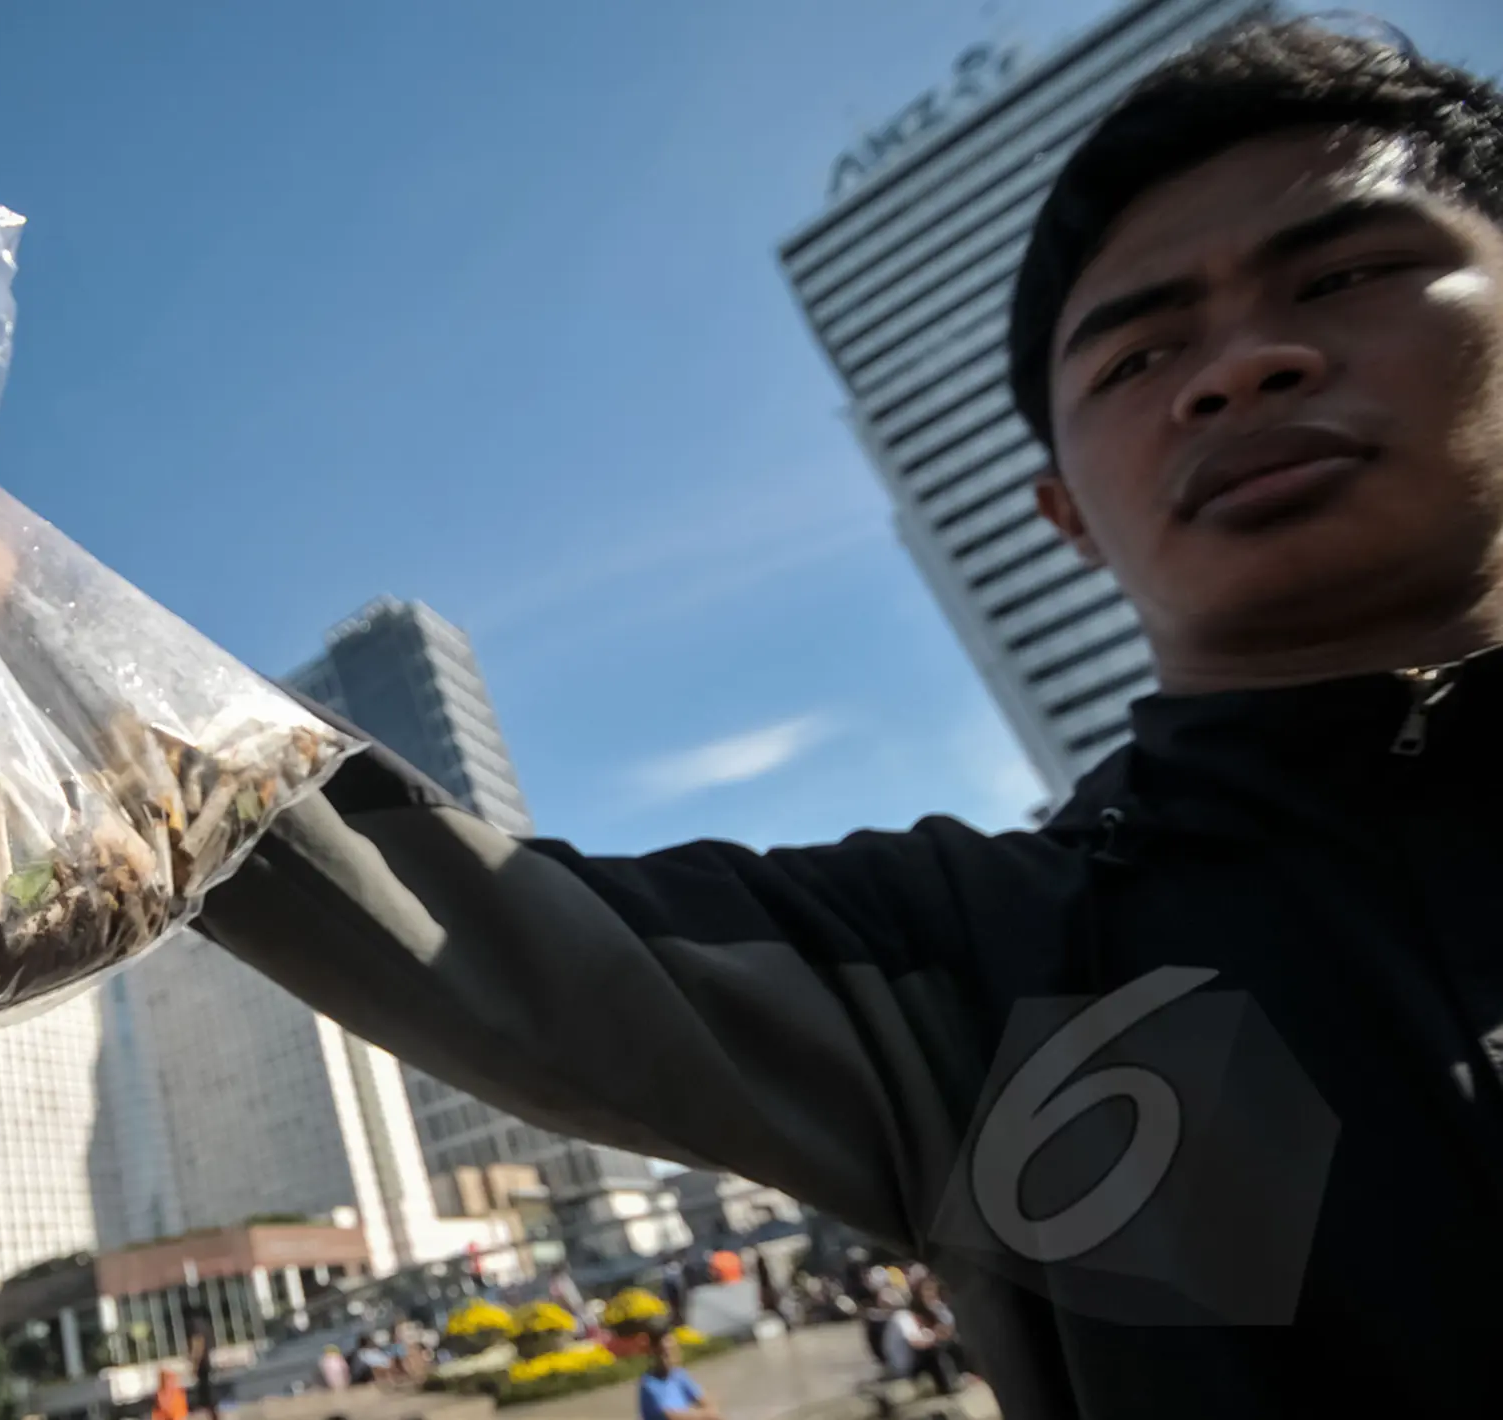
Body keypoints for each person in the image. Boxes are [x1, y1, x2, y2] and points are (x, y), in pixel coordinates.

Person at [180, 19, 1503, 1420]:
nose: (1237, 368)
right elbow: (471, 923)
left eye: (1345, 272)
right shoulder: (984, 967)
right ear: (1063, 513)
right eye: (1134, 356)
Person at [882, 1279, 967, 1398]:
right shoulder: (902, 1317)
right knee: (935, 1350)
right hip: (905, 1365)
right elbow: (915, 1342)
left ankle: (964, 1374)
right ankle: (947, 1385)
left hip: (920, 1357)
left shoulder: (935, 1311)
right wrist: (935, 1337)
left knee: (954, 1344)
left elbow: (949, 1330)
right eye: (926, 1292)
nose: (931, 1295)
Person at [636, 1331, 722, 1420]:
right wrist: (704, 1415)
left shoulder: (678, 1375)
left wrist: (711, 1412)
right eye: (664, 1352)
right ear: (655, 1353)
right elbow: (671, 1415)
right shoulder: (649, 1384)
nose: (669, 1356)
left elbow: (705, 1401)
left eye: (673, 1350)